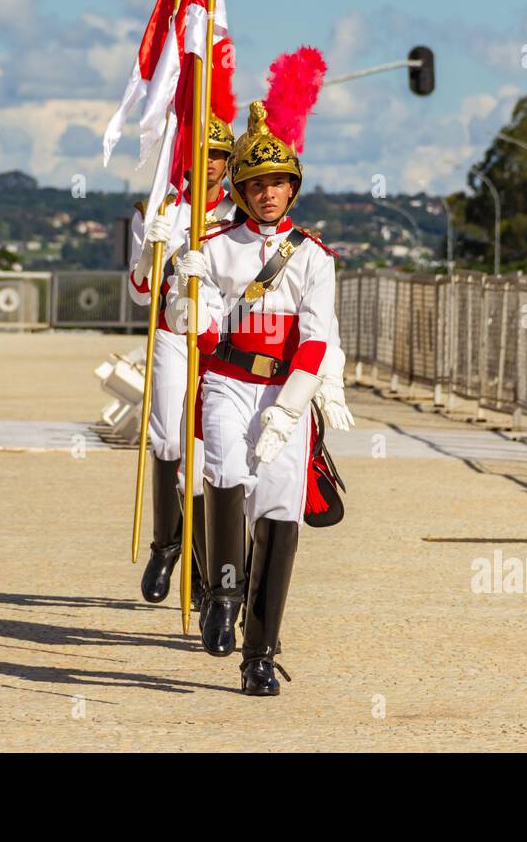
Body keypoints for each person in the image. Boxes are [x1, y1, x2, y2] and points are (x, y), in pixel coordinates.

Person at [167, 47, 345, 694]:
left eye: (277, 184)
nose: (267, 194)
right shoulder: (212, 248)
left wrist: (291, 411)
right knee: (222, 471)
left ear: (291, 188)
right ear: (239, 191)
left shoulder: (314, 257)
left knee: (277, 511)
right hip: (227, 378)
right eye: (255, 185)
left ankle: (261, 651)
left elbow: (317, 342)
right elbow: (201, 330)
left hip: (284, 391)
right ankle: (221, 591)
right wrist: (180, 287)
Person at [127, 114, 238, 609]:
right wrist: (152, 255)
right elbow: (137, 295)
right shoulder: (160, 210)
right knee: (169, 440)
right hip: (173, 335)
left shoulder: (241, 216)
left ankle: (207, 568)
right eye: (203, 151)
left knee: (209, 458)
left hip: (222, 345)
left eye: (218, 154)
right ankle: (165, 544)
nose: (210, 162)